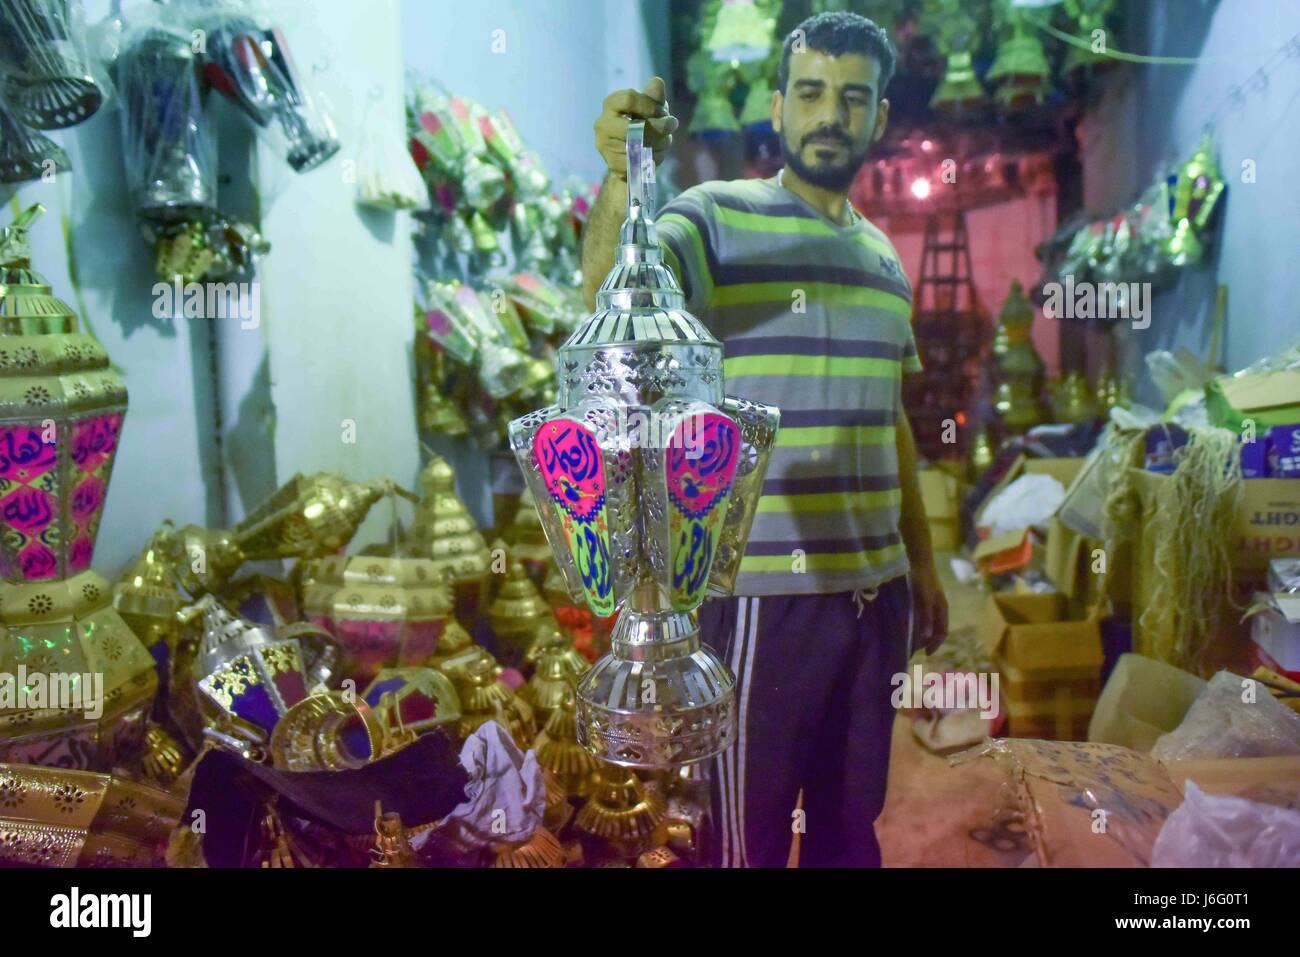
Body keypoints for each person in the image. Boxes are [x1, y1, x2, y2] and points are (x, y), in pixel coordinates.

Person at [581, 10, 948, 868]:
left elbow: (888, 415)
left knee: (850, 833)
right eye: (812, 93)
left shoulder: (888, 261)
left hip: (875, 598)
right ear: (777, 109)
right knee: (741, 836)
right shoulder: (716, 220)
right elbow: (609, 303)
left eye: (853, 98)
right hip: (758, 596)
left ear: (879, 120)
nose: (831, 114)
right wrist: (618, 177)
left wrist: (921, 563)